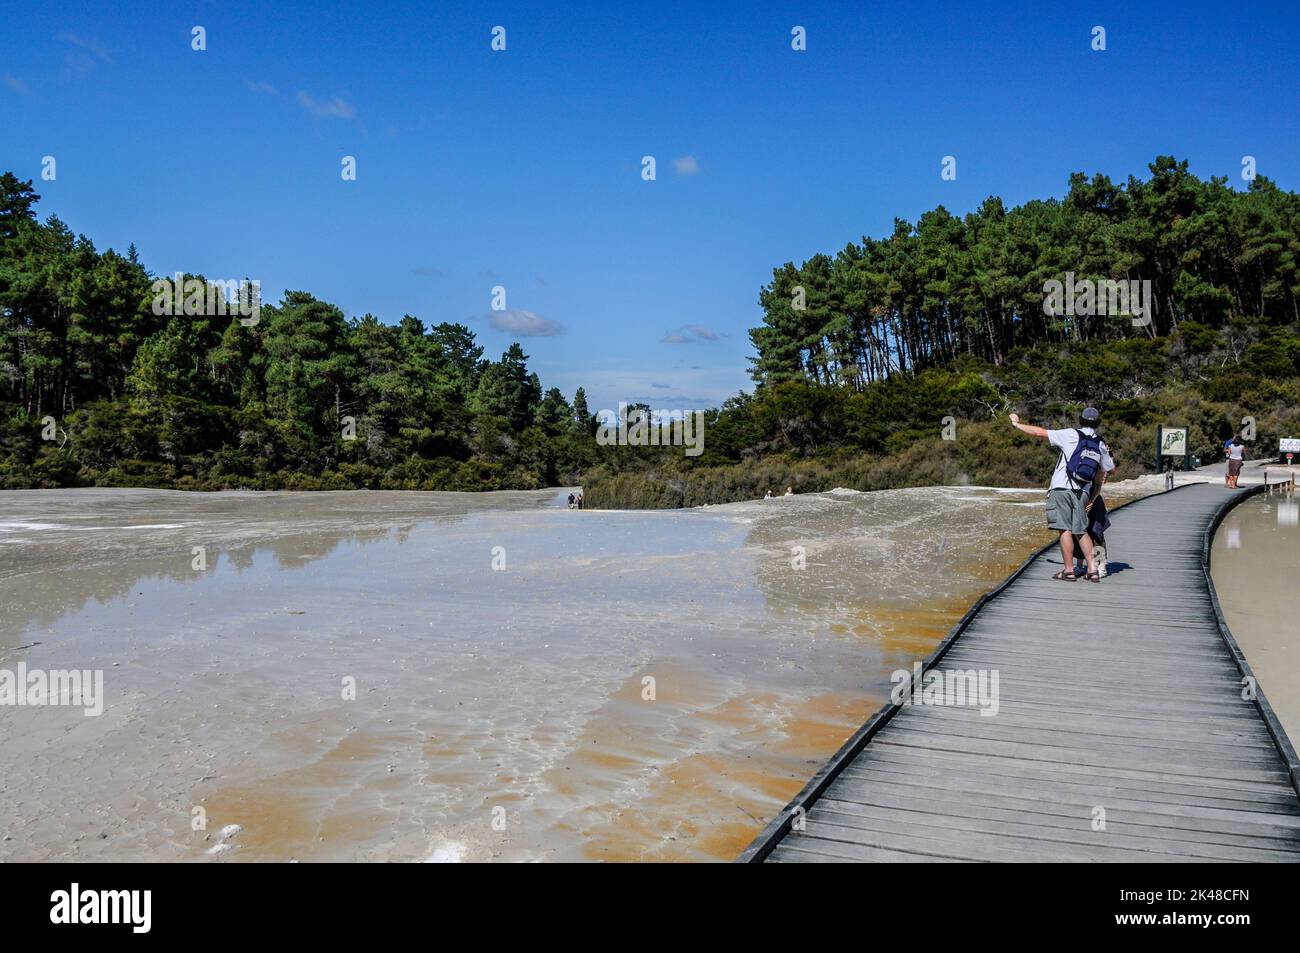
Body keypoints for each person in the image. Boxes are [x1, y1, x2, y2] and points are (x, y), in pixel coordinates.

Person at [1009, 406, 1116, 583]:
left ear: (1081, 420)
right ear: (1097, 423)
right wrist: (1094, 493)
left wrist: (1016, 424)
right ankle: (1093, 569)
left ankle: (1069, 571)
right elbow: (1108, 470)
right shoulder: (1100, 443)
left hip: (1061, 488)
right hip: (1082, 492)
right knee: (1081, 530)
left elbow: (1039, 432)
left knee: (1064, 529)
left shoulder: (1070, 434)